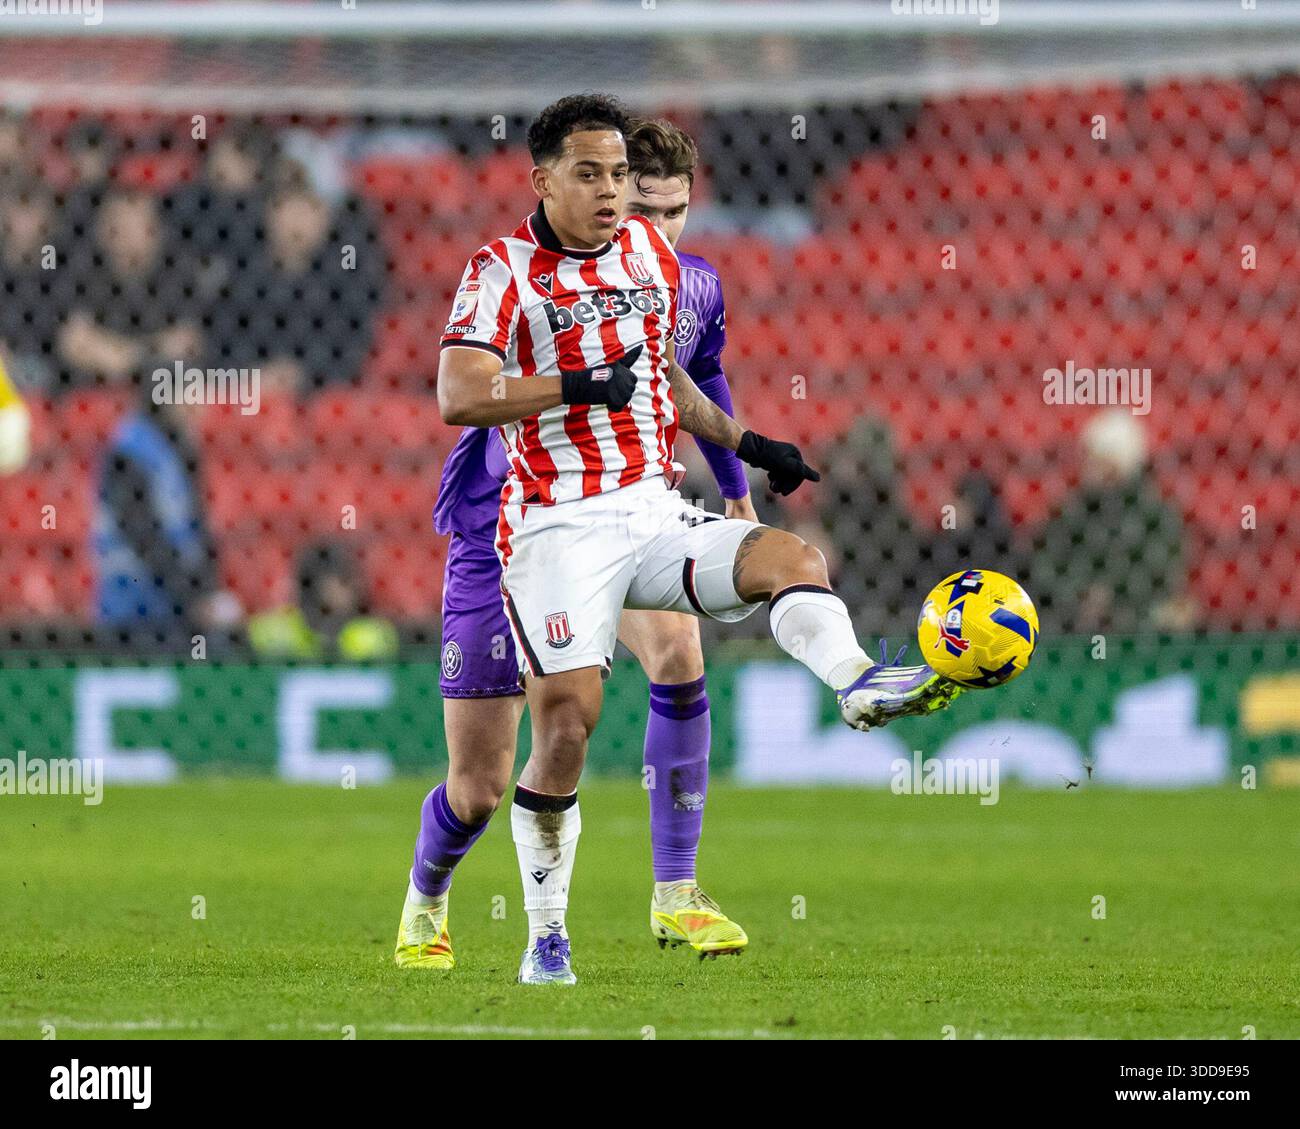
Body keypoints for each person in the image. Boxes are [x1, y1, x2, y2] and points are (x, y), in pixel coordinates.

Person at [406, 94, 964, 986]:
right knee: (550, 736)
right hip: (548, 524)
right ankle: (500, 918)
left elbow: (667, 378)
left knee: (793, 561)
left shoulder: (650, 260)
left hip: (650, 508)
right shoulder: (500, 269)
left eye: (622, 174)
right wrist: (577, 386)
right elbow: (459, 395)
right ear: (541, 177)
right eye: (590, 174)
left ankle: (858, 685)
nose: (613, 192)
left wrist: (749, 447)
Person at [396, 117, 760, 978]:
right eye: (644, 206)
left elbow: (696, 378)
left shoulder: (680, 280)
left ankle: (676, 891)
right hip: (506, 528)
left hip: (618, 520)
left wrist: (736, 478)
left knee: (677, 648)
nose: (660, 230)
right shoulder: (522, 274)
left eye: (677, 213)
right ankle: (427, 894)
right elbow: (467, 390)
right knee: (478, 786)